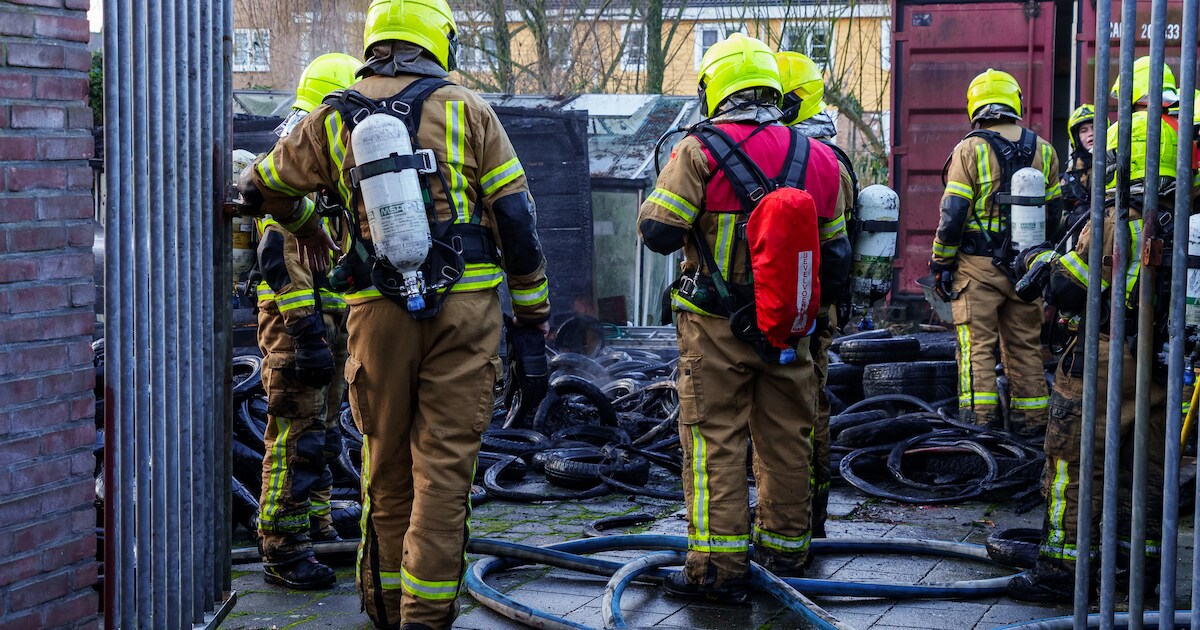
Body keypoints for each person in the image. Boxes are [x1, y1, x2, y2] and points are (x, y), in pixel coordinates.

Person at [236, 0, 552, 626]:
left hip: (375, 314)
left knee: (384, 463)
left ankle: (381, 608)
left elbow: (260, 189)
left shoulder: (334, 116)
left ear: (375, 43)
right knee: (445, 467)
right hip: (466, 313)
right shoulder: (469, 108)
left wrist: (311, 223)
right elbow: (516, 218)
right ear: (440, 43)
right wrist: (532, 317)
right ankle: (425, 619)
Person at [638, 33, 849, 600]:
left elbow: (657, 233)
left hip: (714, 328)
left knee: (714, 440)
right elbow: (838, 257)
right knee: (788, 438)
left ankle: (717, 569)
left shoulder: (699, 150)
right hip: (792, 331)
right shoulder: (822, 158)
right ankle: (786, 553)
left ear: (716, 88)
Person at [1008, 110, 1191, 602]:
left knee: (1072, 455)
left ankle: (1062, 569)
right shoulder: (1185, 220)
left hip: (1108, 355)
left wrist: (1038, 259)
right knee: (1146, 465)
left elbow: (1074, 286)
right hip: (1163, 361)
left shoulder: (1119, 217)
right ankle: (1139, 570)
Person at [248, 51, 360, 590]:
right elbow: (278, 258)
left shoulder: (324, 163)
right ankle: (282, 546)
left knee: (324, 433)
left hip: (328, 324)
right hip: (299, 329)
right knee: (295, 435)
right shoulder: (289, 164)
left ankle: (314, 525)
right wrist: (307, 332)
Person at [928, 69, 1063, 436]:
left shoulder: (969, 149)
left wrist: (940, 261)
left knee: (977, 351)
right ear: (1014, 102)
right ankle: (1033, 432)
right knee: (1025, 351)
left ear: (975, 105)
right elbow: (1055, 216)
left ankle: (979, 432)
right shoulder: (1044, 149)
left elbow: (953, 212)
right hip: (1027, 271)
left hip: (978, 269)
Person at [775, 49, 856, 540]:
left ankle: (806, 521)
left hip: (807, 310)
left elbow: (836, 251)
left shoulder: (818, 160)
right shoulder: (817, 151)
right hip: (807, 306)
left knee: (805, 414)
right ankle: (799, 520)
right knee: (802, 412)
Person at [1060, 104, 1095, 233]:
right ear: (1076, 138)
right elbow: (1059, 216)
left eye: (1094, 128)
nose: (1090, 134)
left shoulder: (1115, 165)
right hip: (1081, 242)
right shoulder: (1072, 174)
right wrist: (1071, 219)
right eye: (1084, 130)